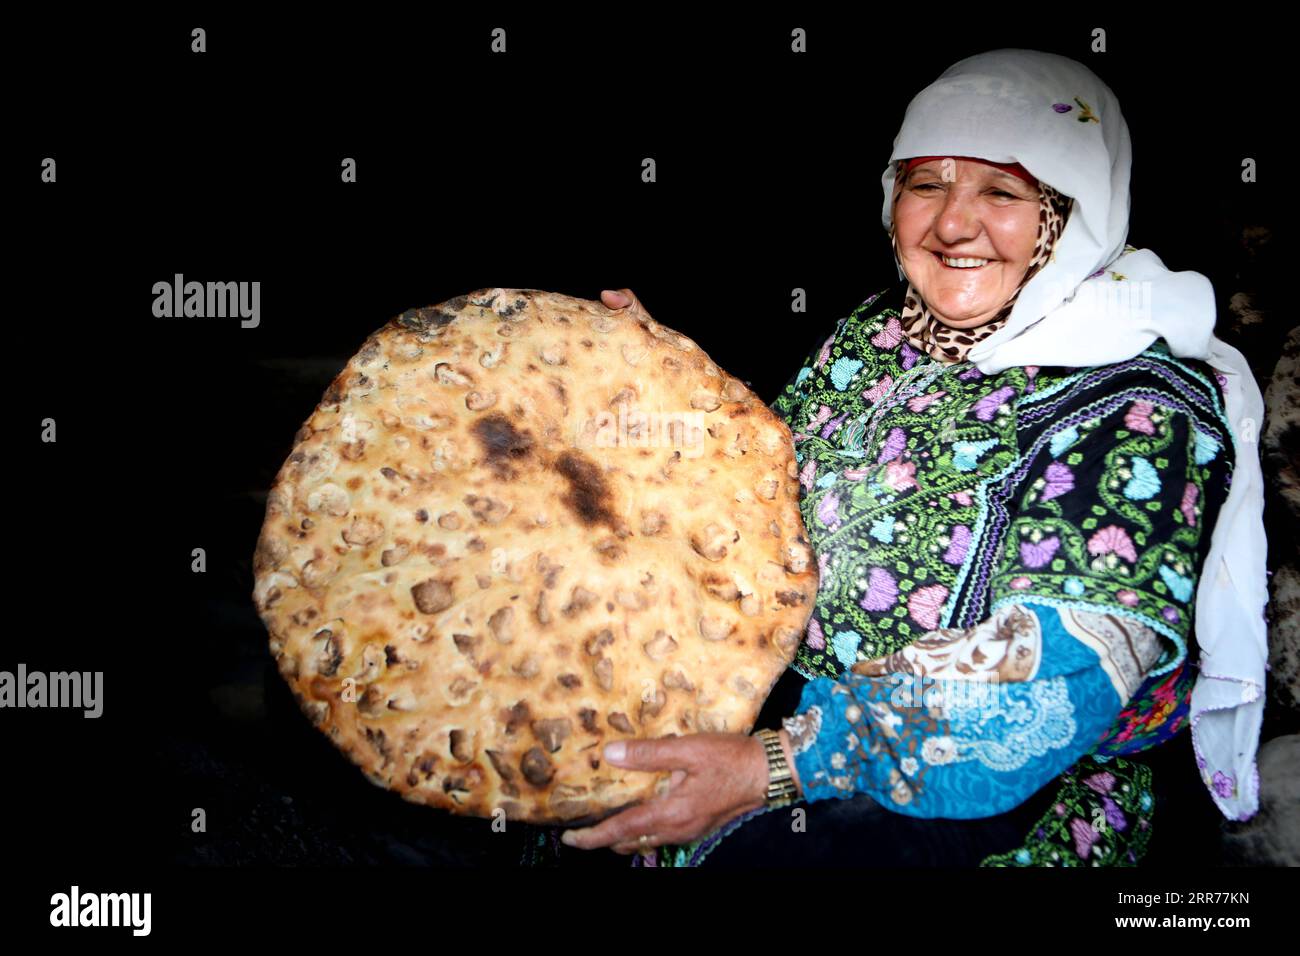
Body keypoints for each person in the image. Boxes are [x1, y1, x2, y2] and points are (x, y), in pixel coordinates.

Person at [519, 48, 1268, 868]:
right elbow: (765, 478)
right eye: (927, 184)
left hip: (996, 777)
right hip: (780, 700)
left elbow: (1060, 677)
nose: (953, 224)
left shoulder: (1135, 403)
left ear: (1070, 211)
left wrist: (773, 766)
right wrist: (663, 380)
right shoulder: (880, 333)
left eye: (1003, 192)